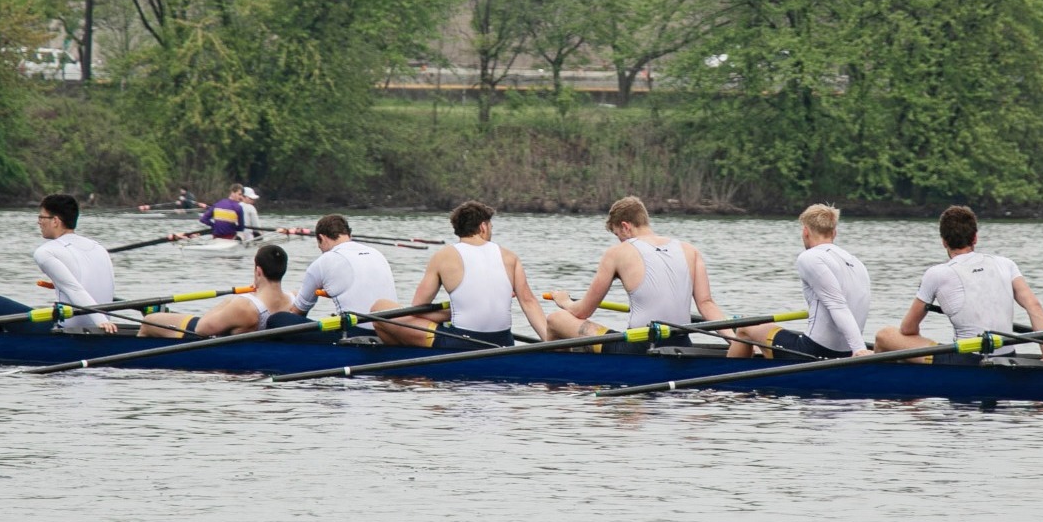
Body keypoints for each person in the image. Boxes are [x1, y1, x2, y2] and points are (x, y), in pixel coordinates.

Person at [543, 195, 728, 354]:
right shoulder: (690, 250)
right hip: (682, 343)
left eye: (617, 234)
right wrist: (736, 342)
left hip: (638, 348)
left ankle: (565, 370)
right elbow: (706, 304)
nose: (619, 240)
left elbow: (583, 311)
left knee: (555, 319)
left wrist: (564, 300)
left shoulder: (617, 253)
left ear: (625, 227)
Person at [874, 205, 1043, 364]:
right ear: (975, 238)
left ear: (944, 241)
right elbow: (1034, 305)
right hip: (1008, 354)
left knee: (885, 336)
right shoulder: (1006, 264)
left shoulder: (936, 273)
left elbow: (907, 329)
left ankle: (900, 385)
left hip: (967, 360)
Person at [372, 200, 550, 350]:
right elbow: (529, 302)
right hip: (503, 342)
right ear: (483, 227)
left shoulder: (443, 256)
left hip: (460, 343)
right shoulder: (510, 257)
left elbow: (418, 308)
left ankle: (405, 360)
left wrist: (452, 312)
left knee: (379, 309)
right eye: (491, 226)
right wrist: (551, 344)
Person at [729, 204, 872, 360]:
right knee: (763, 338)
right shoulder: (857, 263)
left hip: (813, 351)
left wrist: (859, 349)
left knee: (744, 326)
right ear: (834, 233)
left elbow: (836, 304)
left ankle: (728, 376)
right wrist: (857, 348)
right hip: (846, 351)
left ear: (805, 232)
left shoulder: (811, 256)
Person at [0, 194, 118, 334]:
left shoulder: (45, 251)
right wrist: (102, 321)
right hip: (99, 326)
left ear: (55, 221)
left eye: (42, 217)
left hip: (68, 330)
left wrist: (102, 321)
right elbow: (102, 287)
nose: (39, 222)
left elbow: (74, 289)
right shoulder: (99, 248)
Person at [139, 244, 313, 339]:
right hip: (252, 338)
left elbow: (201, 328)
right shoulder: (296, 299)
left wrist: (231, 300)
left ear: (258, 271)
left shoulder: (243, 305)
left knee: (149, 321)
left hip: (206, 335)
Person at [288, 214, 401, 338]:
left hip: (355, 333)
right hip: (390, 330)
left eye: (319, 245)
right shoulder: (377, 253)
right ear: (349, 235)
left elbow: (297, 312)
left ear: (321, 238)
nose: (320, 249)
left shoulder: (324, 261)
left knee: (279, 319)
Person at [177, 184, 252, 242]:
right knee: (242, 235)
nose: (241, 197)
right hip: (230, 238)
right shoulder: (238, 207)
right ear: (232, 192)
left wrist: (214, 226)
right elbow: (241, 228)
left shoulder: (218, 204)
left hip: (216, 238)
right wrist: (233, 227)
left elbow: (203, 219)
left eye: (242, 195)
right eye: (239, 194)